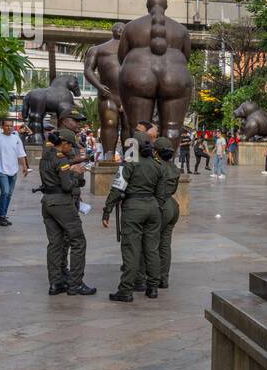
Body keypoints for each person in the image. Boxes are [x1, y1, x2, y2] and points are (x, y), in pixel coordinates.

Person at [102, 140, 166, 302]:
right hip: (152, 207)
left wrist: (107, 210)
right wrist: (156, 208)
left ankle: (126, 290)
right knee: (152, 249)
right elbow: (161, 193)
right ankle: (152, 288)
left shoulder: (129, 164)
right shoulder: (158, 166)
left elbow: (117, 188)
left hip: (133, 207)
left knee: (131, 249)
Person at [39, 129, 95, 296]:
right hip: (62, 203)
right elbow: (67, 185)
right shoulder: (61, 160)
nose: (71, 147)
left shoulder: (46, 155)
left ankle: (55, 283)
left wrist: (80, 160)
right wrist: (77, 175)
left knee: (54, 244)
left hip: (47, 202)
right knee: (78, 241)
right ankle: (75, 283)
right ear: (63, 143)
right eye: (70, 144)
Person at [0, 118, 29, 227]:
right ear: (2, 127)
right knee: (5, 192)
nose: (9, 127)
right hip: (1, 171)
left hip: (13, 171)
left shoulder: (16, 138)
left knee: (9, 194)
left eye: (11, 126)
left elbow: (21, 154)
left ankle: (4, 215)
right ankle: (1, 216)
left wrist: (25, 167)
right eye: (6, 126)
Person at [152, 139, 181, 289]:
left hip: (160, 205)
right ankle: (164, 278)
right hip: (172, 205)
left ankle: (152, 278)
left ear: (156, 152)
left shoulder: (156, 167)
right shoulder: (174, 168)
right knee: (165, 244)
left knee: (152, 244)